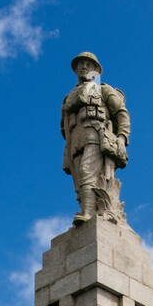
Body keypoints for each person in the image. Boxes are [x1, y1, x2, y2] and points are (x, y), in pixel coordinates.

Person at [61, 52, 130, 224]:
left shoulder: (104, 89)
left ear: (96, 69)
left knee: (87, 171)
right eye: (80, 65)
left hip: (95, 133)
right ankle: (86, 208)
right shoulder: (69, 97)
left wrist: (121, 137)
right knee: (79, 182)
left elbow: (121, 114)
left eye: (88, 64)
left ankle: (89, 213)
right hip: (75, 139)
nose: (83, 67)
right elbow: (63, 126)